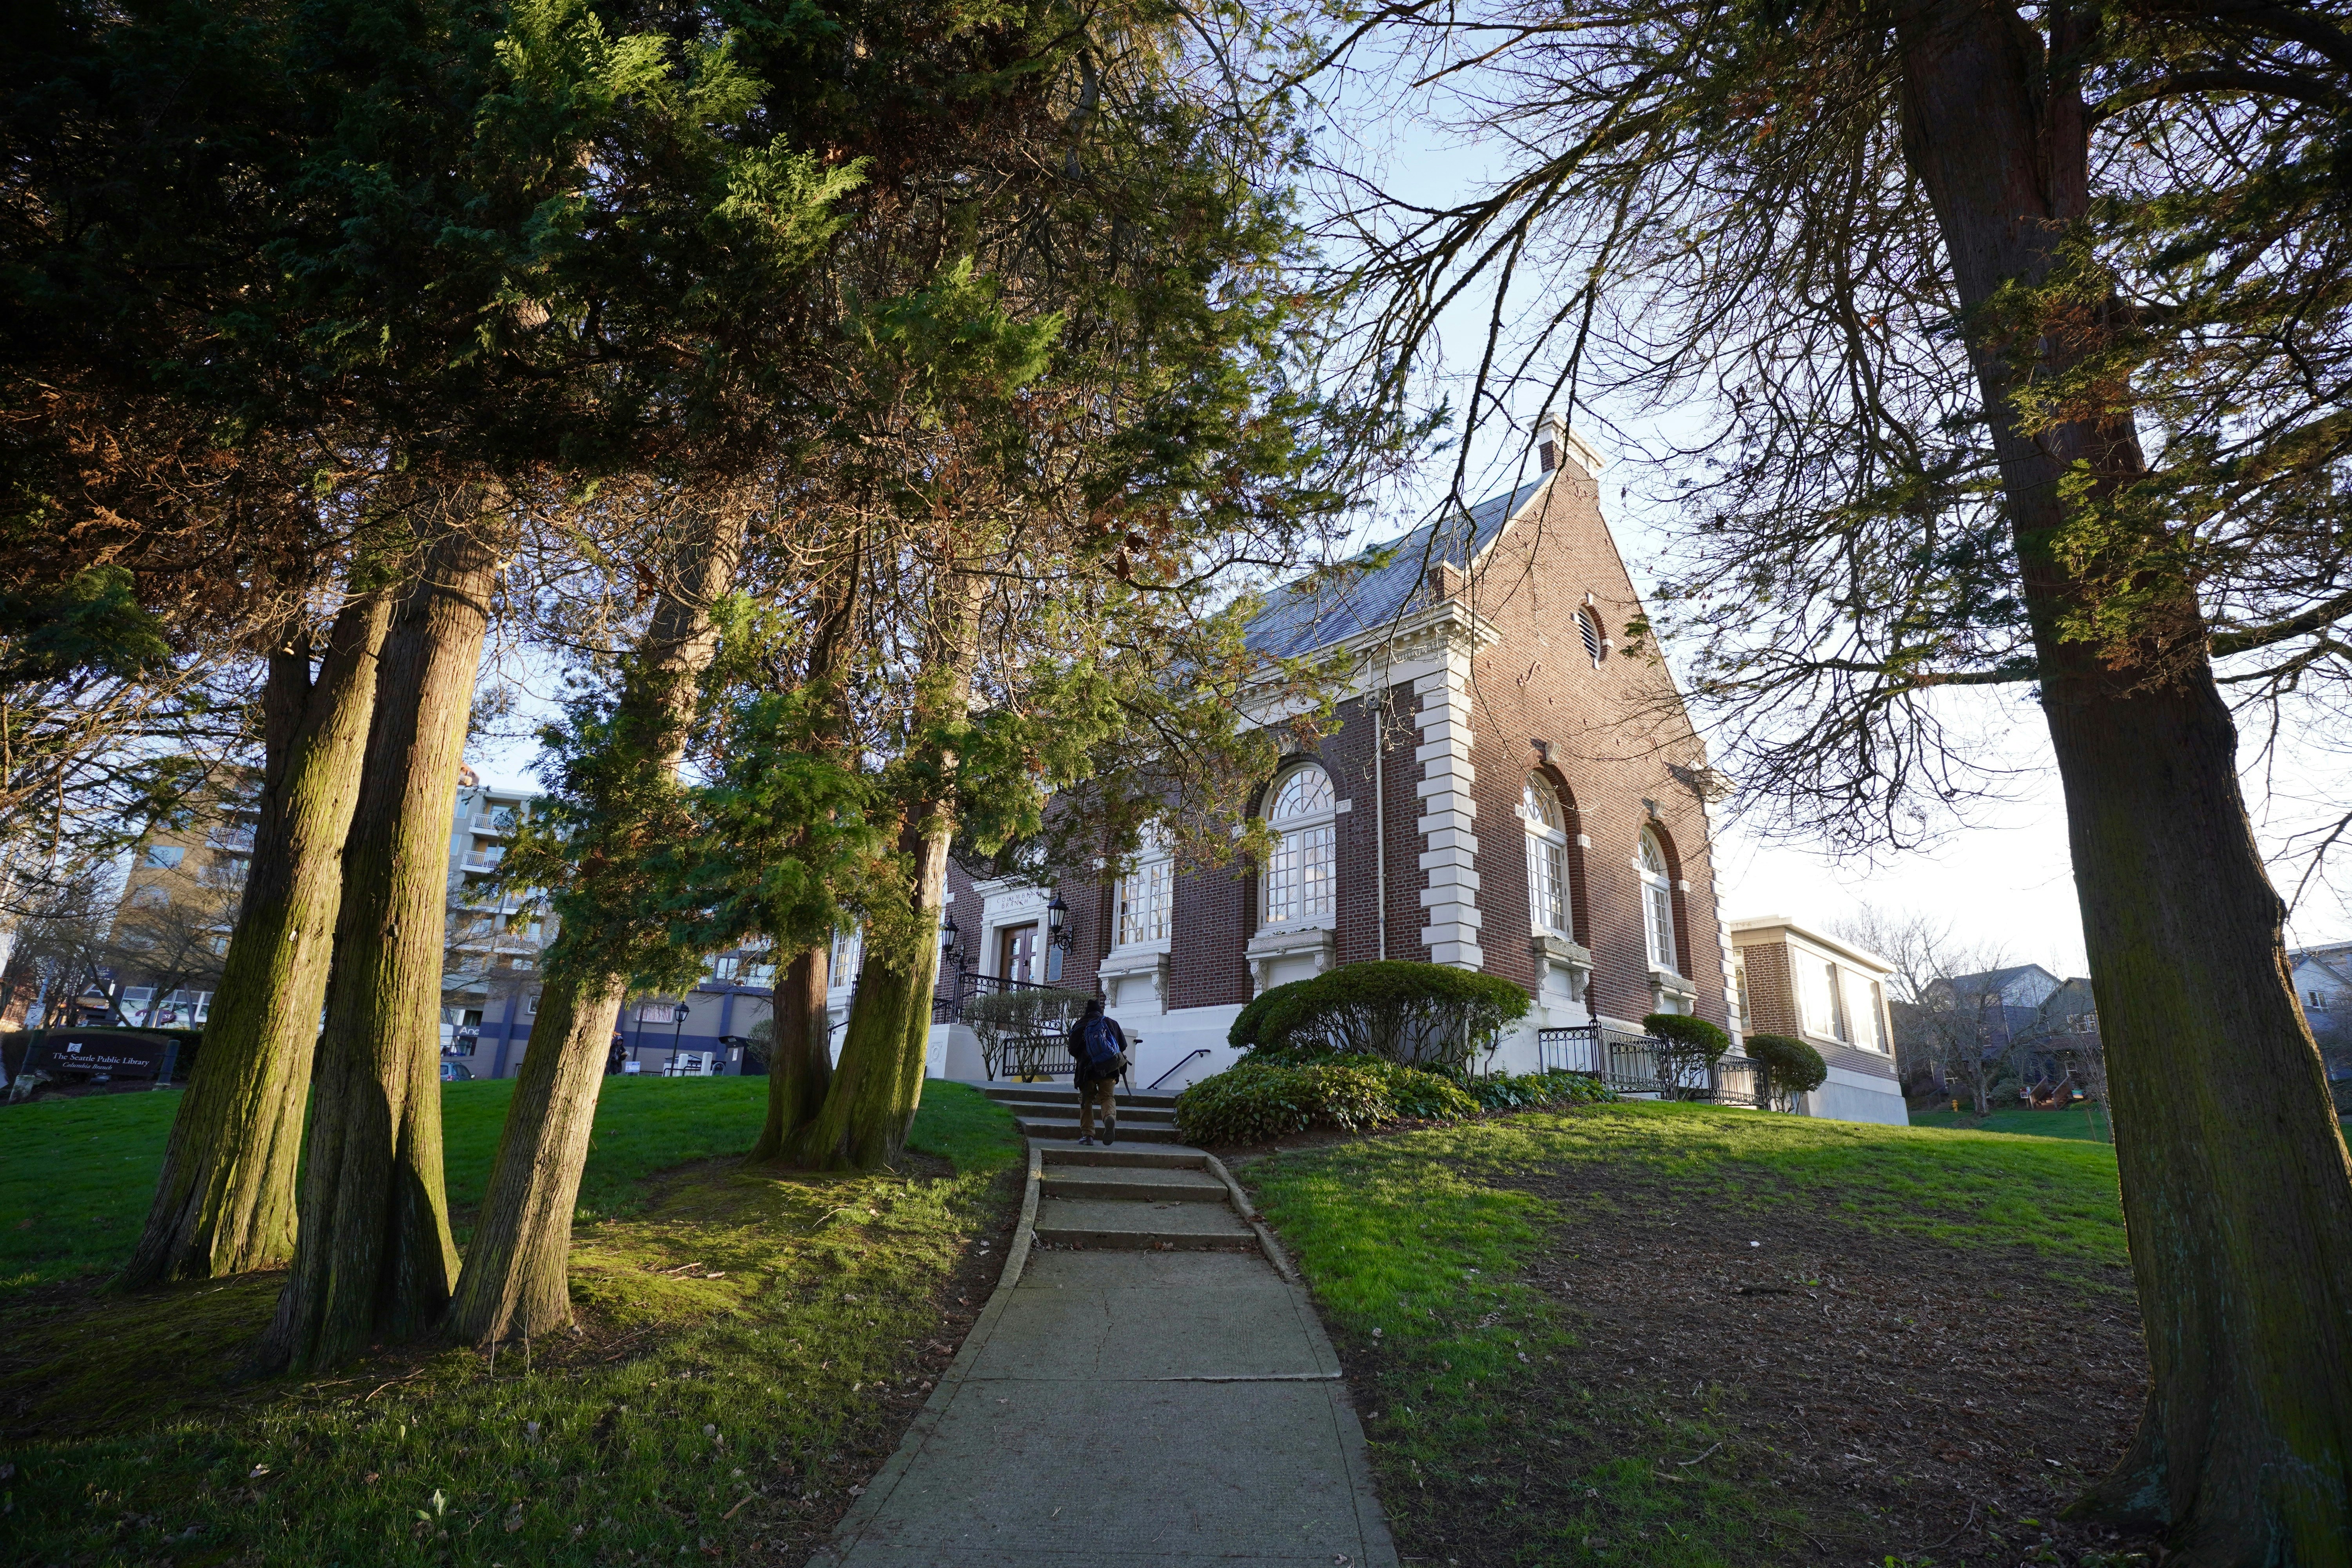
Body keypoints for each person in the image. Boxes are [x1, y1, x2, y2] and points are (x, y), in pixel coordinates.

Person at [1064, 996, 1130, 1145]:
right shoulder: (1111, 1023)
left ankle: (1088, 1136)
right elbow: (1122, 1047)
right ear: (1100, 1011)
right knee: (1107, 1097)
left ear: (1086, 1012)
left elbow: (1073, 1050)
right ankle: (1109, 1118)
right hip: (1109, 1070)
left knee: (1086, 1101)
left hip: (1087, 1071)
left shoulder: (1079, 1025)